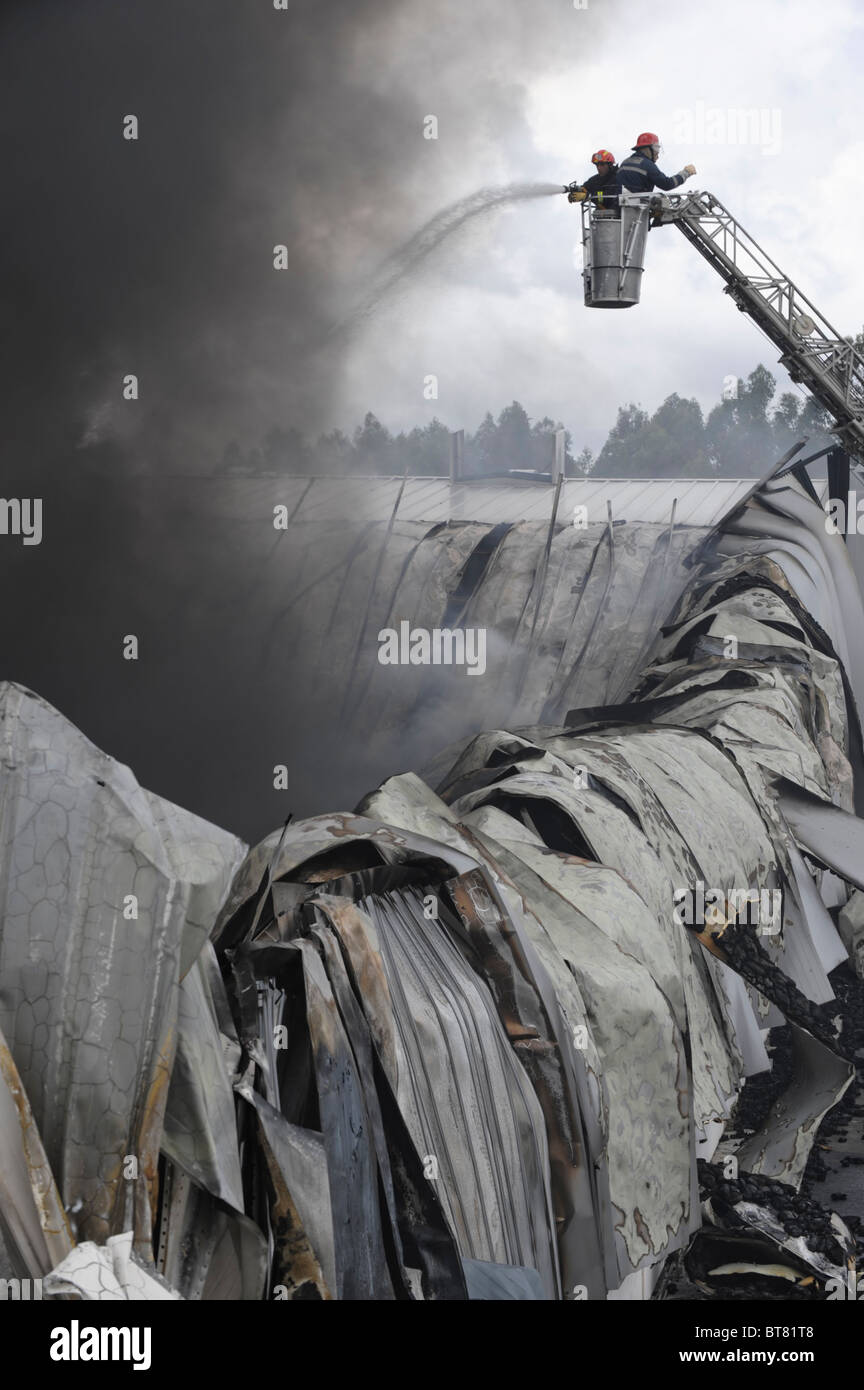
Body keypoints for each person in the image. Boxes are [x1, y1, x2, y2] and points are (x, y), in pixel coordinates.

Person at [618, 132, 696, 193]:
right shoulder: (647, 165)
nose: (657, 152)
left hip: (621, 209)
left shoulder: (624, 163)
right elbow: (666, 184)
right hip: (638, 210)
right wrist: (685, 173)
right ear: (647, 149)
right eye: (656, 148)